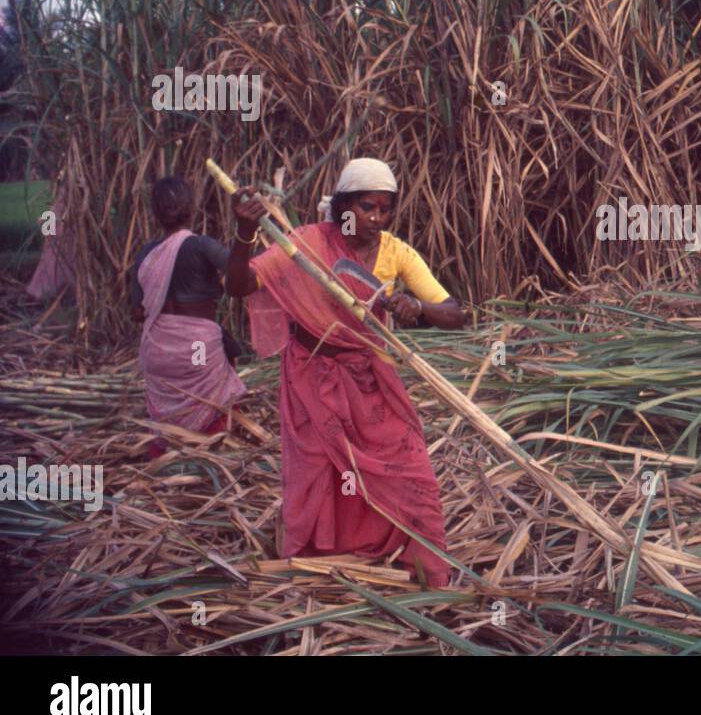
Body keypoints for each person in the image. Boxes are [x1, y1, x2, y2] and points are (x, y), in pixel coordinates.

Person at [224, 157, 465, 588]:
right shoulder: (305, 245)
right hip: (311, 379)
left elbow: (454, 313)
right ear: (341, 207)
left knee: (410, 470)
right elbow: (240, 284)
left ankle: (423, 569)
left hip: (373, 382)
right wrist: (245, 233)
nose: (376, 218)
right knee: (322, 473)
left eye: (384, 209)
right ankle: (323, 565)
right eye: (366, 208)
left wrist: (419, 308)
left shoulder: (396, 253)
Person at [129, 177, 247, 459]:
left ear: (155, 213)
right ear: (192, 209)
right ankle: (209, 454)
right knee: (218, 400)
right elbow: (242, 270)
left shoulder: (146, 254)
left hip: (158, 352)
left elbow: (137, 312)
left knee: (173, 403)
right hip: (196, 349)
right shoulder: (202, 246)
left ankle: (167, 451)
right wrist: (248, 231)